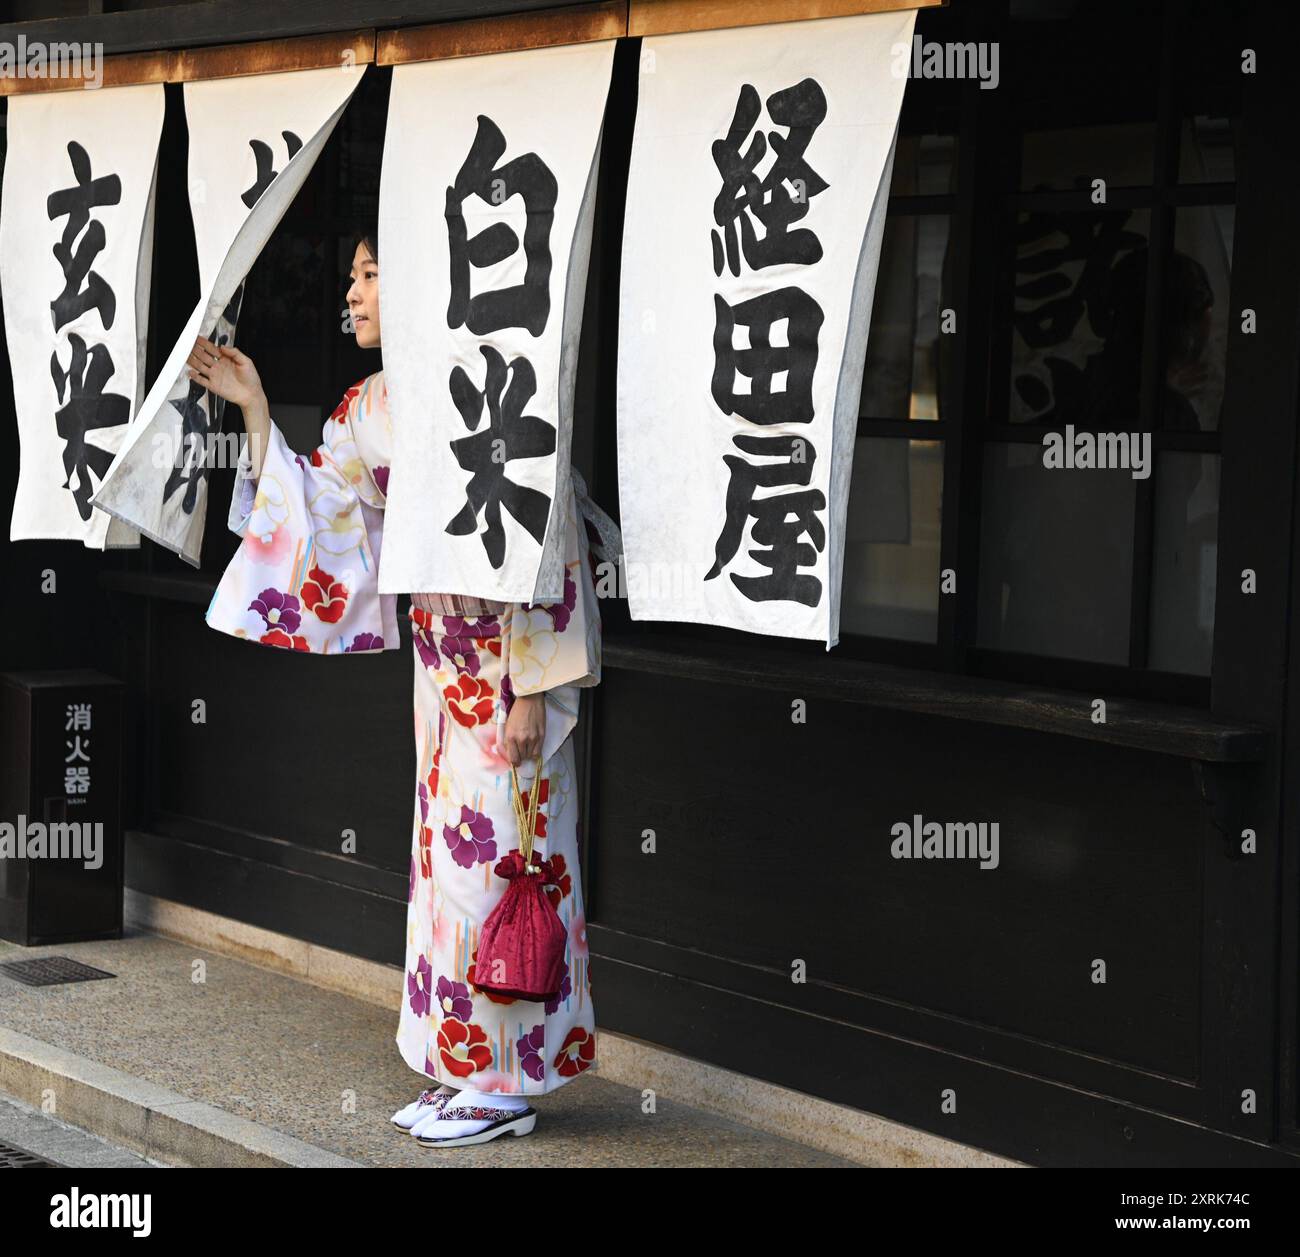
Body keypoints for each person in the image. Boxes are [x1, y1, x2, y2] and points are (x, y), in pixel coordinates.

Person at [189, 228, 615, 1148]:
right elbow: (323, 509)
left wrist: (537, 677)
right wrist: (259, 408)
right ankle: (460, 1065)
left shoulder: (490, 390)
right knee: (446, 875)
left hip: (507, 672)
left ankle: (505, 1080)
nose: (354, 293)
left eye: (371, 274)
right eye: (352, 274)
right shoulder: (368, 406)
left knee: (503, 865)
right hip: (440, 671)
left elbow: (546, 524)